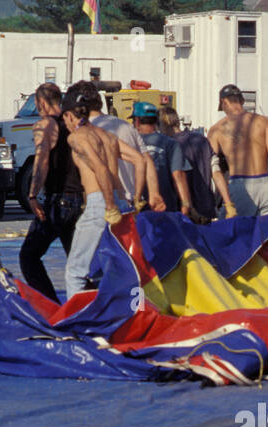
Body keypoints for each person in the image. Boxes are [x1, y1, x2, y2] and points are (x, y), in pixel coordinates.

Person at [61, 85, 131, 296]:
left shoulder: (76, 137)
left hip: (100, 204)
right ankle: (108, 314)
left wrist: (109, 206)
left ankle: (78, 323)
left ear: (69, 115)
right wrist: (125, 203)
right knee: (103, 268)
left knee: (75, 271)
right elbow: (138, 159)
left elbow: (100, 168)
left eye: (64, 119)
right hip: (118, 198)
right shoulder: (105, 135)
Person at [20, 82, 83, 302]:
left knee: (28, 256)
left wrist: (32, 194)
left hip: (58, 200)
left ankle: (51, 307)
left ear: (42, 103)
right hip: (79, 199)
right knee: (78, 263)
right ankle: (89, 306)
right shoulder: (74, 124)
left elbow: (42, 159)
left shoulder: (45, 124)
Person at [208, 84, 268, 217]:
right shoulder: (264, 122)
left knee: (231, 232)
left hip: (240, 187)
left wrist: (227, 203)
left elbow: (214, 168)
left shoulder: (216, 130)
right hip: (266, 185)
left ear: (224, 102)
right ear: (242, 101)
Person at [72, 81, 162, 213]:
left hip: (105, 203)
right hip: (131, 204)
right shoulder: (126, 126)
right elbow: (146, 160)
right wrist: (153, 193)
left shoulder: (84, 131)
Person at [132, 101, 195, 217]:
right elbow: (178, 175)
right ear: (157, 121)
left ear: (137, 121)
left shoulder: (130, 144)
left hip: (136, 210)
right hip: (164, 208)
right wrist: (185, 205)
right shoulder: (170, 143)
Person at [159, 104, 218, 221]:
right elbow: (216, 172)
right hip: (206, 206)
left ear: (164, 124)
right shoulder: (201, 139)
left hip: (185, 211)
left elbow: (180, 177)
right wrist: (227, 202)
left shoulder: (170, 145)